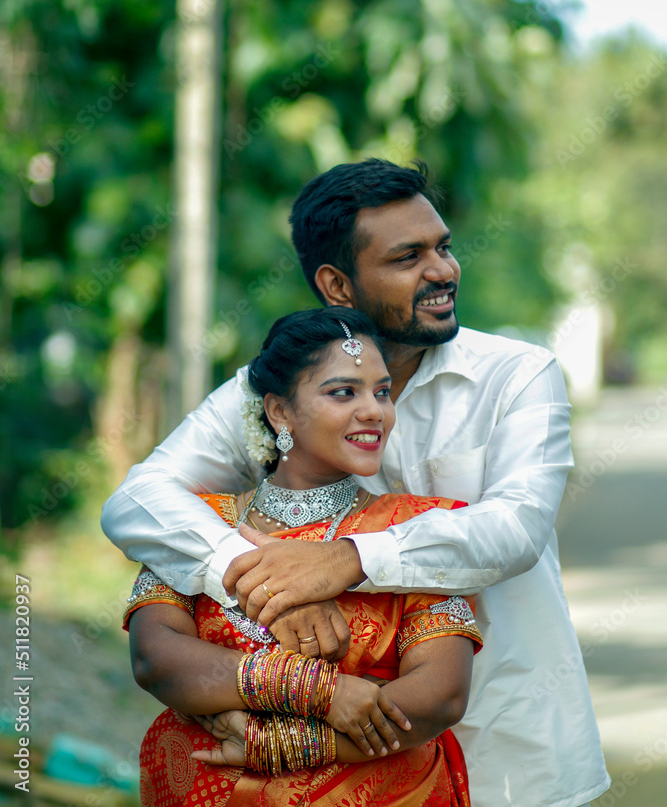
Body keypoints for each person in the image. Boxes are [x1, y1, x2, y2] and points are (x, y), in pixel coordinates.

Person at [103, 159, 610, 807]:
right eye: (407, 257)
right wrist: (257, 575)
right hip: (294, 770)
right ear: (337, 285)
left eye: (443, 247)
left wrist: (344, 562)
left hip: (507, 741)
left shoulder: (516, 375)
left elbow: (516, 528)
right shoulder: (274, 386)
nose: (443, 271)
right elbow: (136, 502)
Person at [125, 306, 482, 806]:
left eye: (382, 392)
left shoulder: (414, 530)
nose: (374, 411)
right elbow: (154, 658)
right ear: (279, 411)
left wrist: (281, 743)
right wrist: (317, 690)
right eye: (343, 392)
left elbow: (441, 693)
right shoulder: (200, 524)